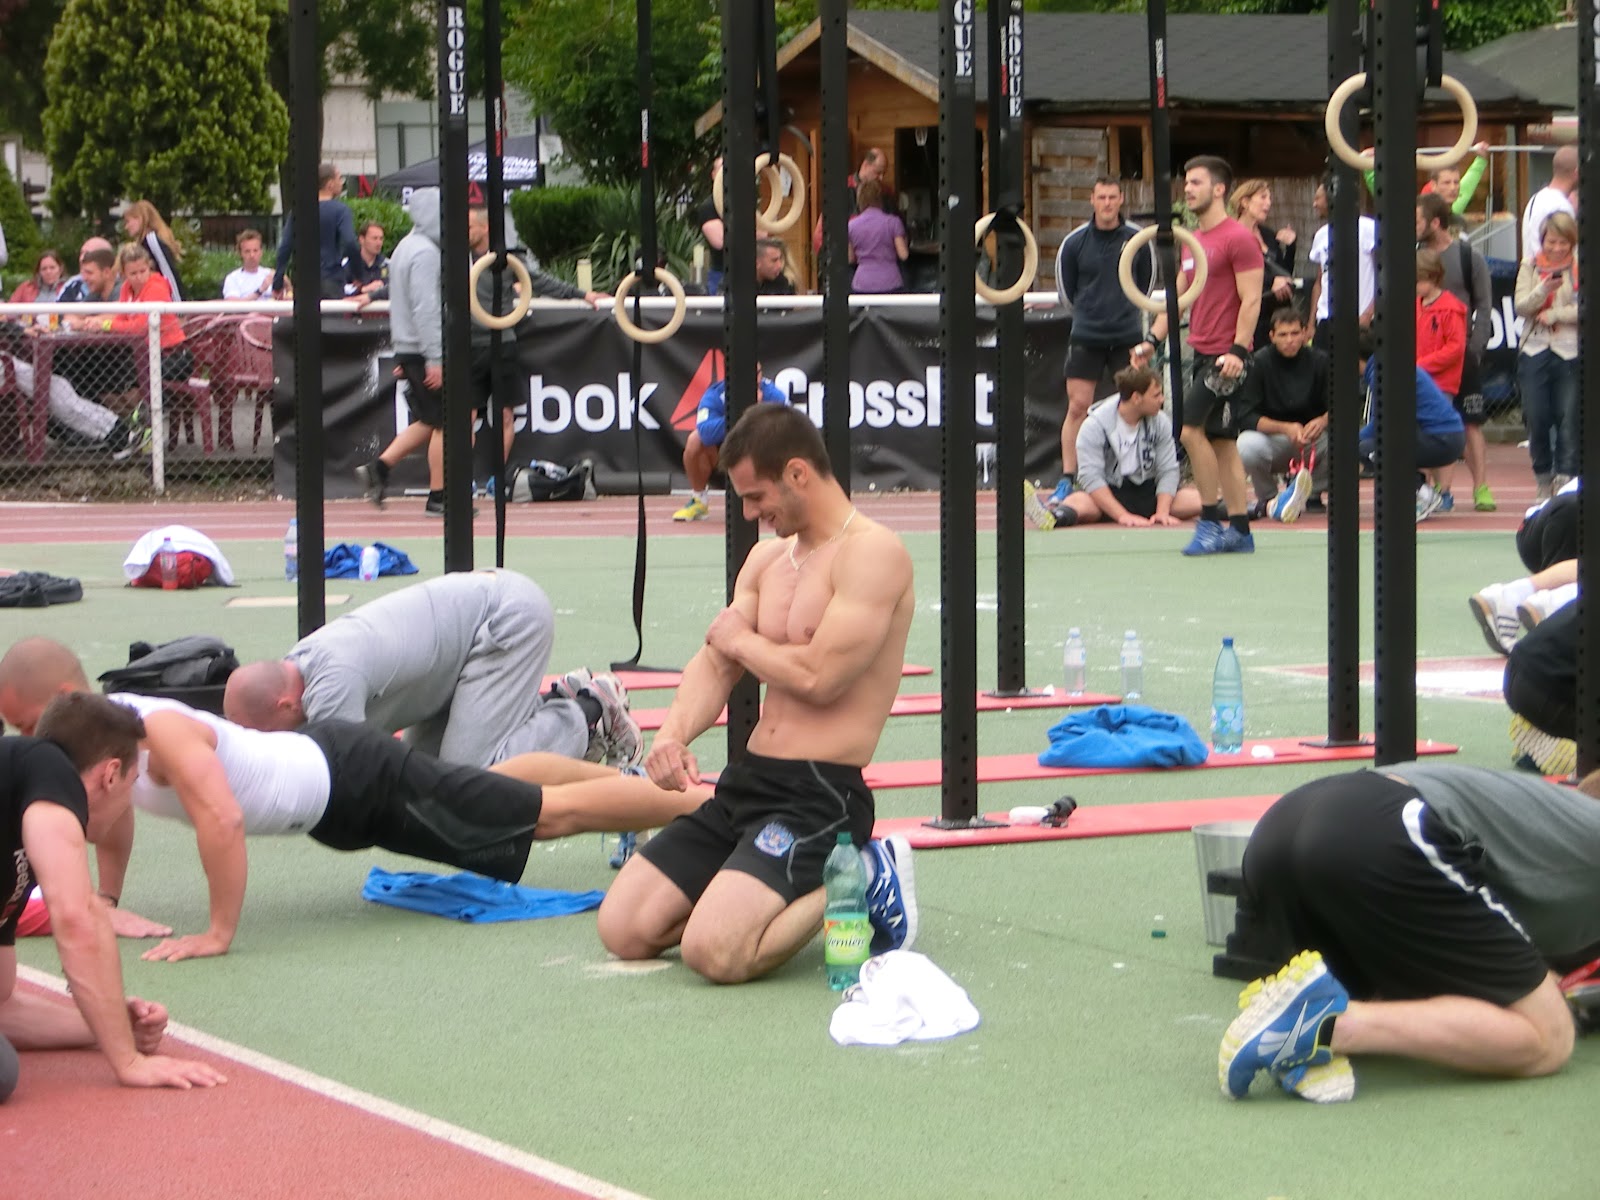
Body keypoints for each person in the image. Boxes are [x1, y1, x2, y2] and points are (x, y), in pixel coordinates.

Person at [0, 641, 706, 963]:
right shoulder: (95, 739)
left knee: (545, 816)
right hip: (340, 796)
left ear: (62, 700)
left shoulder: (158, 730)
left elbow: (223, 818)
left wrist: (217, 933)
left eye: (24, 723)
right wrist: (109, 897)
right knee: (504, 786)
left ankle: (704, 810)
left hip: (357, 780)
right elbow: (109, 823)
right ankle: (656, 789)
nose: (24, 741)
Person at [597, 404, 920, 985]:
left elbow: (822, 678)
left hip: (821, 795)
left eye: (755, 497)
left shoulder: (874, 553)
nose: (750, 514)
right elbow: (717, 658)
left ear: (798, 473)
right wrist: (671, 736)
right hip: (749, 782)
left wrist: (742, 643)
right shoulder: (768, 557)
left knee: (715, 954)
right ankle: (745, 894)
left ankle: (863, 873)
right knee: (624, 929)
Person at [1217, 761, 1591, 1104]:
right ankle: (1328, 1025)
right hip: (1381, 832)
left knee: (1431, 1000)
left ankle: (1302, 1026)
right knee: (1549, 1036)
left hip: (1281, 832)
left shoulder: (1562, 818)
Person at [1, 692, 226, 1098]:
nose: (128, 802)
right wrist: (128, 1060)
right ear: (110, 774)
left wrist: (107, 1023)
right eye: (133, 784)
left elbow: (2, 1008)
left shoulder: (18, 844)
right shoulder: (47, 769)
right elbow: (78, 918)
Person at [222, 570, 641, 769]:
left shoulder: (330, 684)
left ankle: (590, 711)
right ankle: (554, 703)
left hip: (507, 618)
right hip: (467, 649)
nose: (266, 746)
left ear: (284, 704)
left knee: (474, 771)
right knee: (431, 769)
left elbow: (350, 778)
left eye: (264, 735)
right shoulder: (304, 667)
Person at [1137, 155, 1263, 556]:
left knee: (1189, 430)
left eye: (1195, 182)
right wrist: (1151, 342)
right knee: (1222, 442)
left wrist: (1239, 351)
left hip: (1228, 357)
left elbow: (1252, 300)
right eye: (1186, 183)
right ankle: (1240, 530)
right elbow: (1178, 302)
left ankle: (1209, 522)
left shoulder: (1237, 238)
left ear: (1219, 189)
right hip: (1203, 352)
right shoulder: (1193, 242)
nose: (1187, 189)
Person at [463, 205, 608, 470]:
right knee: (466, 417)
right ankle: (463, 481)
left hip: (501, 343)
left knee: (506, 415)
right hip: (469, 346)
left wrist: (582, 295)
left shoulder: (507, 261)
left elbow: (540, 282)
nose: (466, 232)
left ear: (485, 228)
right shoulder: (456, 261)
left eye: (470, 226)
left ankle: (497, 478)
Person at [1050, 176, 1152, 503]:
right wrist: (1090, 314)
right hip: (1086, 334)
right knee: (1078, 406)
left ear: (1121, 200)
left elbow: (1146, 285)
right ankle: (1069, 477)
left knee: (1137, 405)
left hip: (1127, 335)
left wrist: (1126, 314)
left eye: (1112, 197)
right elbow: (1066, 291)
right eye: (1101, 197)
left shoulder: (1138, 238)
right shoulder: (1074, 242)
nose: (1107, 203)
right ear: (1092, 200)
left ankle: (1140, 476)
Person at [356, 187, 450, 515]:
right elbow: (426, 307)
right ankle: (439, 496)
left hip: (410, 346)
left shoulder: (404, 248)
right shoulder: (426, 252)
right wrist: (435, 358)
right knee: (445, 422)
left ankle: (380, 468)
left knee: (430, 419)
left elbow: (402, 298)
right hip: (423, 349)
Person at [1024, 365, 1201, 530]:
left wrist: (1162, 512)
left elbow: (1168, 469)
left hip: (1148, 492)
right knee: (1081, 502)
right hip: (1109, 493)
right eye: (1156, 395)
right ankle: (1052, 516)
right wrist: (1122, 516)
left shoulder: (1160, 421)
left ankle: (1225, 512)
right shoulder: (1094, 425)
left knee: (1196, 499)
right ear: (1137, 398)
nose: (1162, 400)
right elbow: (1090, 477)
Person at [1417, 192, 1496, 512]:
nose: (1413, 226)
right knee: (1426, 424)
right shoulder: (1415, 256)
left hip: (1460, 356)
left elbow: (1485, 304)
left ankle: (1480, 488)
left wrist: (1473, 349)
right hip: (1427, 362)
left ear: (1435, 223)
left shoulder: (1467, 256)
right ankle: (1433, 491)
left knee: (1470, 423)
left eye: (1418, 221)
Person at [1356, 333, 1465, 523]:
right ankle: (1416, 493)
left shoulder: (1381, 373)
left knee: (1366, 448)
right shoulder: (1389, 366)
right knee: (1381, 444)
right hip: (1446, 436)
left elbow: (1381, 423)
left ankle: (1422, 494)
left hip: (1441, 439)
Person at [1235, 307, 1329, 522]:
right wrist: (1285, 428)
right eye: (1283, 335)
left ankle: (1311, 491)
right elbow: (1246, 415)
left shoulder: (1321, 361)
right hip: (1273, 439)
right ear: (1272, 336)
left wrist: (1323, 421)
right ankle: (1270, 499)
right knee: (1246, 445)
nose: (1290, 340)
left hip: (1313, 439)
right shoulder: (1258, 362)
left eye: (1295, 333)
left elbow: (1343, 403)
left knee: (1347, 441)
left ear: (1306, 333)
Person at [1514, 211, 1579, 499]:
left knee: (1569, 418)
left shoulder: (1581, 266)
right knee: (1536, 416)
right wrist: (1544, 289)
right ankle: (1543, 477)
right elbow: (1521, 306)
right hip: (1535, 348)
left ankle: (1564, 479)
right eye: (1551, 242)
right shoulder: (1530, 265)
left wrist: (1555, 313)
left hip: (1569, 350)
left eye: (1563, 242)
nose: (1556, 248)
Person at [672, 361, 788, 522]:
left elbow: (786, 429)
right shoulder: (715, 394)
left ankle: (776, 499)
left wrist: (760, 409)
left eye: (757, 374)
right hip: (725, 458)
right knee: (695, 440)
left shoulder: (772, 394)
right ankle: (699, 500)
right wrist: (744, 411)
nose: (752, 379)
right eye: (746, 374)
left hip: (762, 455)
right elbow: (705, 432)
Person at [1413, 246, 1467, 512]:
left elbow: (1455, 348)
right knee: (1419, 435)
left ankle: (1444, 491)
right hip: (1418, 381)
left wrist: (1420, 365)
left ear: (1434, 277)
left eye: (1419, 280)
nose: (1415, 286)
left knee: (1439, 434)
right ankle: (1423, 489)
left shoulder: (1450, 309)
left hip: (1440, 382)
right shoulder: (1416, 306)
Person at [1306, 180, 1378, 352]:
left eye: (1319, 199)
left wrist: (1369, 313)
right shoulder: (1321, 235)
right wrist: (1311, 323)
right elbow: (1319, 281)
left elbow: (1383, 275)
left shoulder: (1368, 228)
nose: (1315, 204)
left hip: (1359, 318)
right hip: (1325, 319)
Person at [1228, 179, 1298, 352]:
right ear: (1245, 202)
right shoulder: (1232, 235)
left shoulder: (1267, 234)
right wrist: (1269, 283)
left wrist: (1290, 247)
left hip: (1277, 316)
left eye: (1270, 198)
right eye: (1263, 197)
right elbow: (1233, 275)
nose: (1268, 203)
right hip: (1251, 317)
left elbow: (1284, 272)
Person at [273, 162, 360, 299]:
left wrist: (277, 282)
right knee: (331, 319)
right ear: (330, 184)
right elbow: (350, 242)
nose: (341, 183)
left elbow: (285, 247)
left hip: (304, 280)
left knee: (306, 320)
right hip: (331, 278)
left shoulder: (298, 211)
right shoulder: (340, 210)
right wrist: (358, 274)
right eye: (339, 178)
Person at [846, 179, 908, 295]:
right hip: (890, 282)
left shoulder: (851, 225)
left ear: (860, 200)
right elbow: (903, 255)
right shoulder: (893, 222)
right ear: (880, 199)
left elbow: (850, 258)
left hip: (862, 283)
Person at [1521, 146, 1578, 262]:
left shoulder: (1536, 198)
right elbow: (1567, 253)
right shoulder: (1562, 207)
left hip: (1533, 274)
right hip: (1553, 276)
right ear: (1577, 172)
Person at [121, 200, 184, 301]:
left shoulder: (152, 239)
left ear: (139, 219)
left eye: (128, 221)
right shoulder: (143, 242)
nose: (126, 227)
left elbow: (168, 271)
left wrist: (178, 305)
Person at [694, 157, 727, 296]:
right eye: (722, 169)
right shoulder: (708, 207)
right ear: (714, 175)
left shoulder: (746, 203)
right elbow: (720, 241)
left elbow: (763, 235)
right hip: (721, 273)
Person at [343, 221, 388, 308]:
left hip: (381, 318)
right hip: (354, 317)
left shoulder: (387, 265)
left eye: (381, 238)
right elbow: (337, 290)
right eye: (374, 238)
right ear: (361, 240)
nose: (379, 243)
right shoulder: (348, 264)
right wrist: (364, 289)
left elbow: (395, 290)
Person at [221, 229, 274, 301]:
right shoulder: (233, 278)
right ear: (240, 254)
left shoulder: (270, 274)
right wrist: (260, 291)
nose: (252, 255)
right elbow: (233, 306)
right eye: (247, 251)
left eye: (255, 250)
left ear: (261, 252)